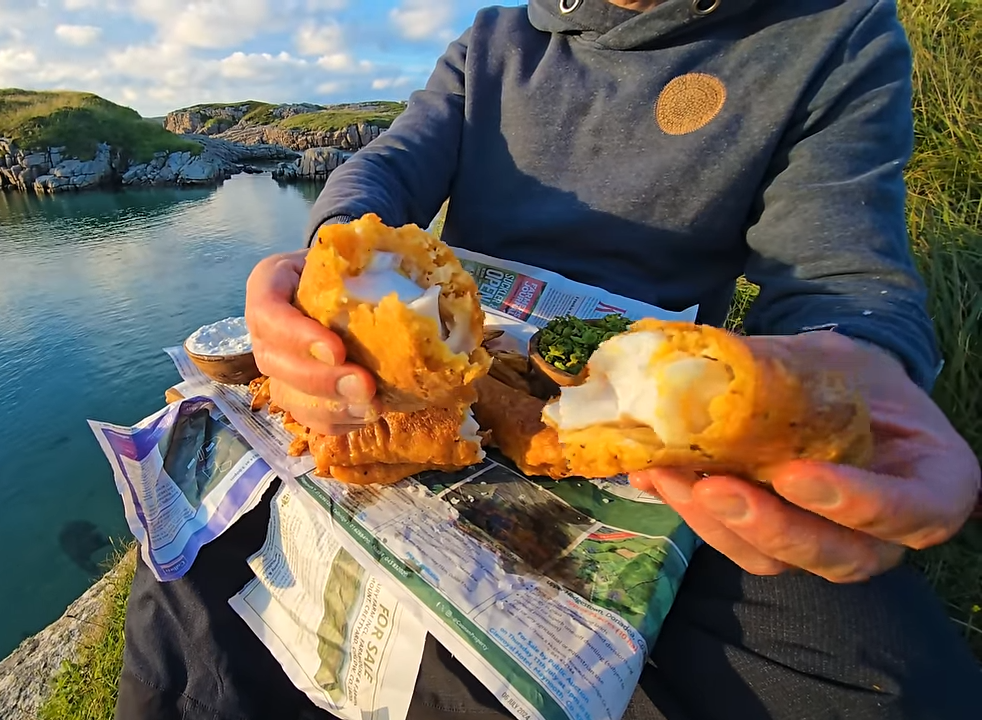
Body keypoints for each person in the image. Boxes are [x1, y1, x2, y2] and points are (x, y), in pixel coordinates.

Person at [116, 1, 982, 718]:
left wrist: (852, 370)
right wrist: (316, 260)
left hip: (650, 440)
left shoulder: (837, 28)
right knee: (194, 576)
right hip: (454, 385)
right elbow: (384, 171)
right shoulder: (493, 43)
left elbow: (842, 274)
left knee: (897, 684)